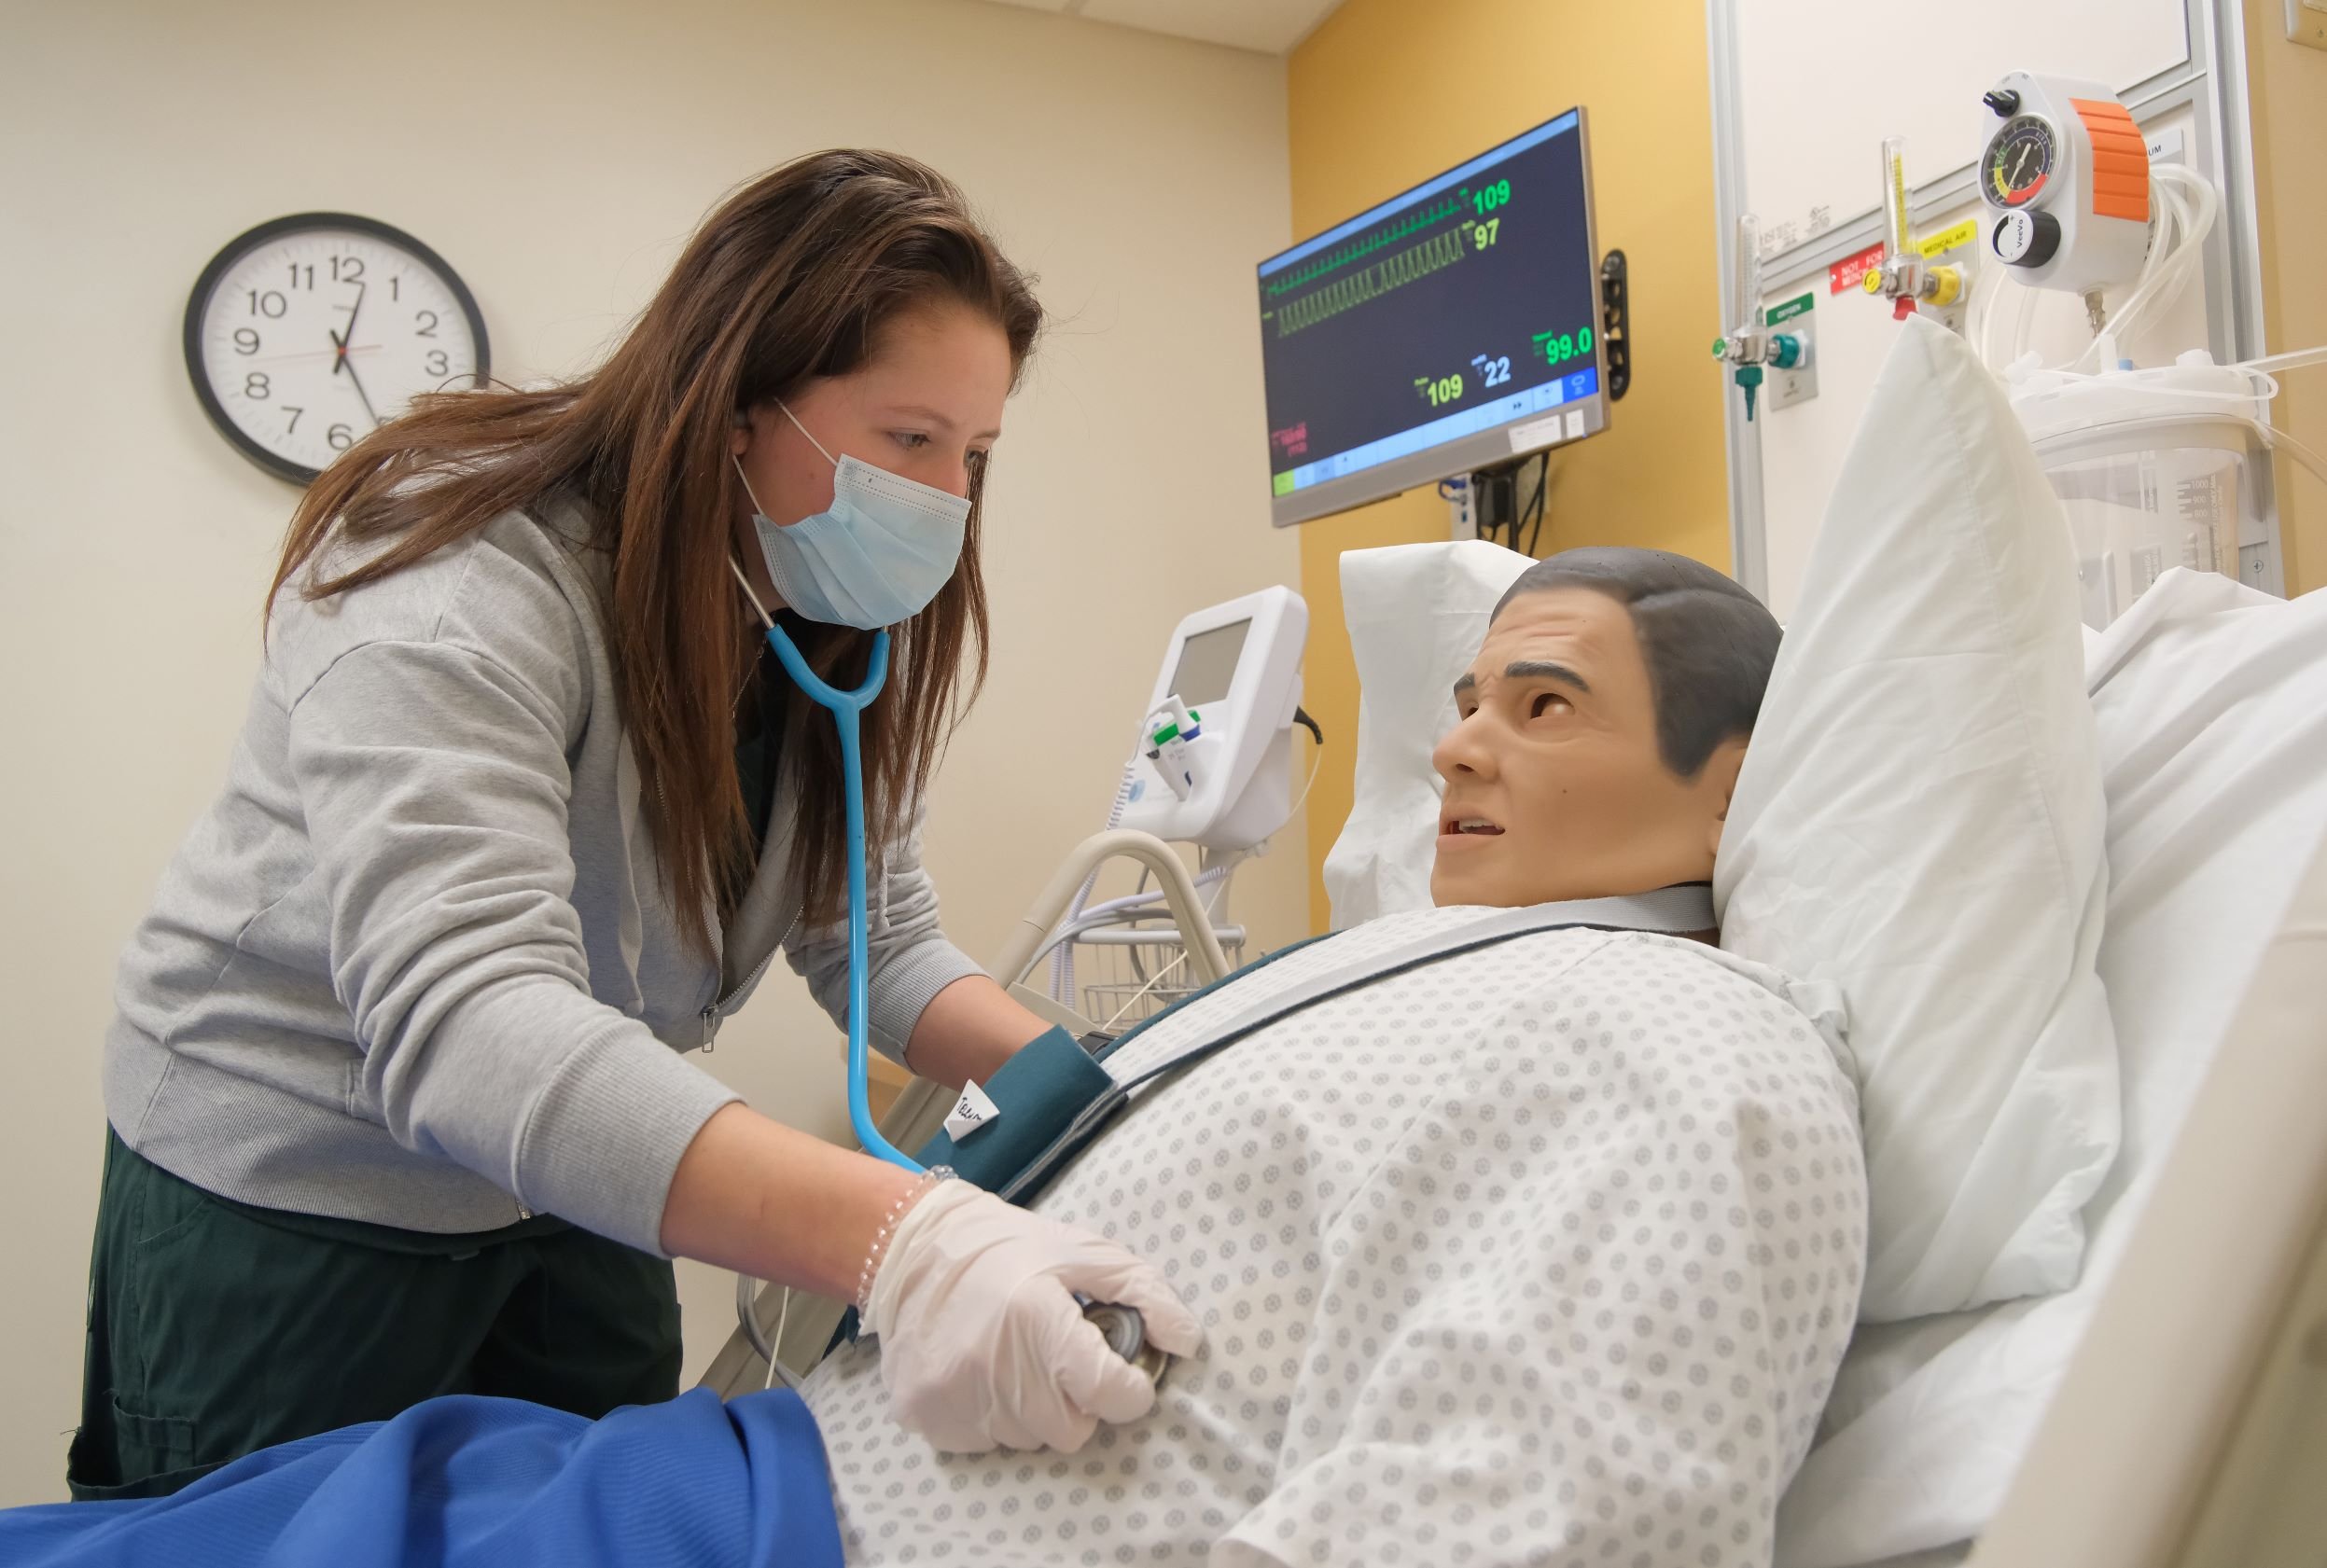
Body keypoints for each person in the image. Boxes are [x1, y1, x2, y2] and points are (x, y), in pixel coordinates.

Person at [14, 547, 1863, 1568]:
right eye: (1462, 700)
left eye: (1538, 709)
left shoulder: (1678, 1055)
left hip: (823, 1517)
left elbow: (1545, 1520)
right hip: (327, 1178)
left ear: (1731, 785)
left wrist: (1038, 1112)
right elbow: (461, 1013)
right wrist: (952, 1213)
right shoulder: (476, 583)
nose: (1454, 752)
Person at [72, 148, 1195, 1502]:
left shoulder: (824, 629)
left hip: (569, 1168)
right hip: (302, 1192)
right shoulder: (453, 570)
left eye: (975, 454)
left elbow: (882, 946)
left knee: (614, 1519)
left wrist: (1126, 1090)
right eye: (910, 440)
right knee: (282, 1535)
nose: (947, 502)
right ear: (735, 404)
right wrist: (911, 1235)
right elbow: (467, 1016)